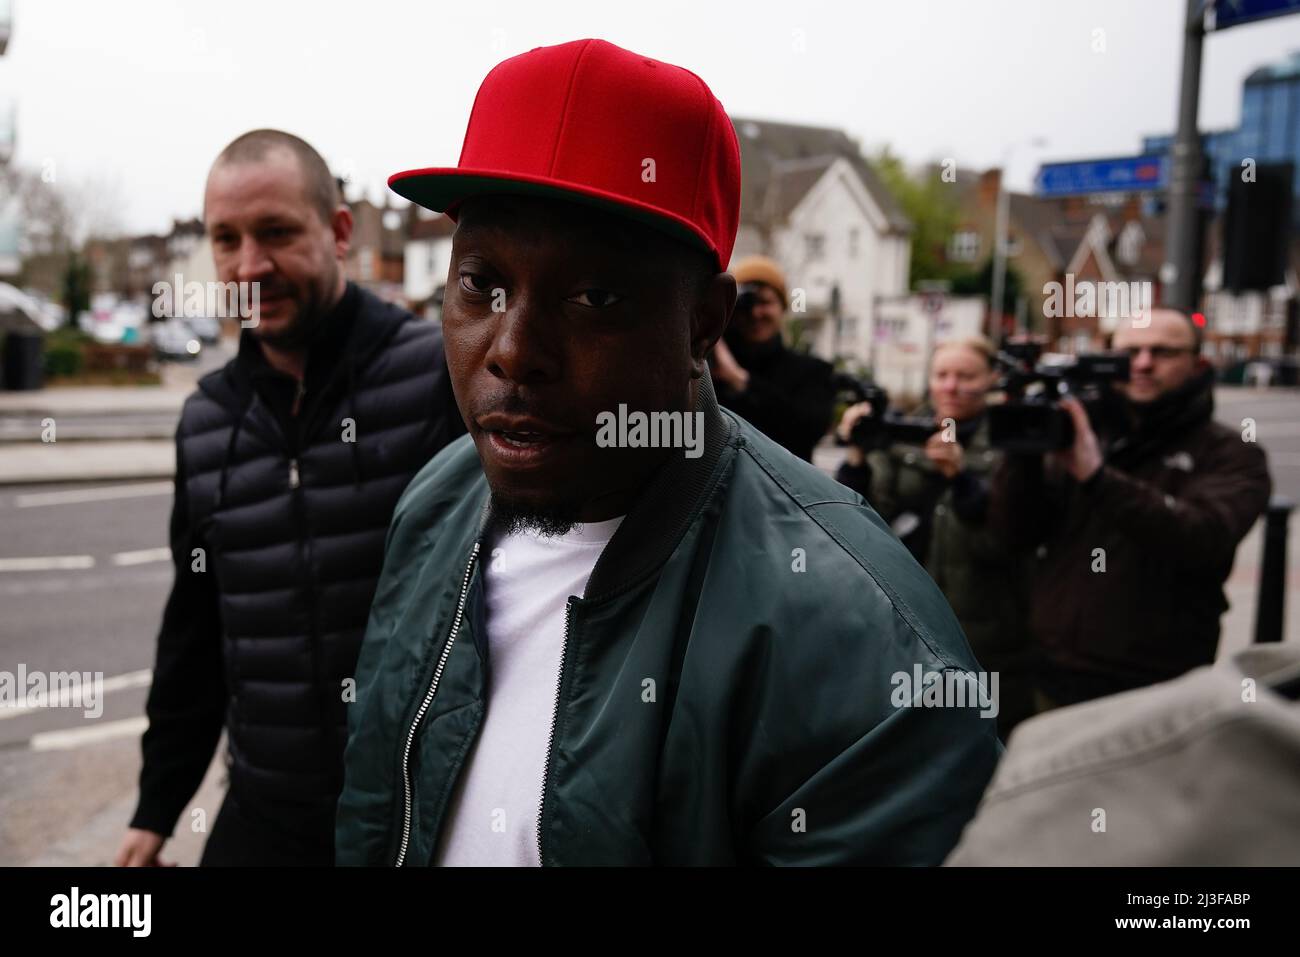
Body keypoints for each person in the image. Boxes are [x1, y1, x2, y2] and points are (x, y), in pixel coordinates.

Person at [335, 38, 1000, 867]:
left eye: (594, 296)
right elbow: (372, 802)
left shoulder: (866, 647)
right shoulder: (438, 501)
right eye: (482, 283)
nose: (512, 349)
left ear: (703, 323)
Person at [115, 130, 464, 867]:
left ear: (339, 232)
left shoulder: (439, 375)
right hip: (265, 815)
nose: (249, 265)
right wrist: (156, 807)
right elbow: (195, 633)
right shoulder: (206, 423)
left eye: (275, 232)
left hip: (419, 816)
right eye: (225, 239)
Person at [990, 307, 1271, 711]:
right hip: (1055, 670)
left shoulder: (1230, 453)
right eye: (1130, 352)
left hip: (1160, 682)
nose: (1142, 364)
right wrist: (1024, 455)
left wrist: (1098, 477)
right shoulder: (1077, 433)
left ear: (1198, 363)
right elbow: (1012, 533)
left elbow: (1201, 536)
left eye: (1163, 352)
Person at [835, 337, 1033, 737]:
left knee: (986, 735)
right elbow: (861, 520)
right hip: (903, 620)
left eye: (966, 376)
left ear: (993, 379)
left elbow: (1004, 540)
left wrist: (959, 478)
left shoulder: (1010, 443)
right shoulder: (902, 433)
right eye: (942, 375)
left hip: (988, 627)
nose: (951, 387)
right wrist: (857, 454)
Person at [710, 255, 834, 462]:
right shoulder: (708, 367)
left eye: (765, 302)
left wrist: (740, 381)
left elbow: (805, 431)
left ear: (783, 307)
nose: (755, 313)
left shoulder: (812, 371)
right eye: (745, 304)